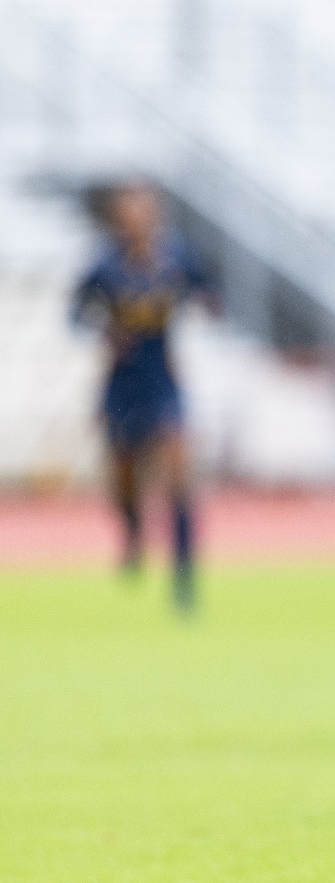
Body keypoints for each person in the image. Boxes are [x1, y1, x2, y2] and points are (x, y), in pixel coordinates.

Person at [71, 179, 212, 614]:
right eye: (129, 211)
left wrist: (206, 303)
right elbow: (75, 315)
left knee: (179, 468)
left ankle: (185, 576)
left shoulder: (175, 259)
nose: (138, 218)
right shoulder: (104, 267)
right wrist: (105, 331)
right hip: (121, 383)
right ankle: (133, 531)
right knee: (125, 478)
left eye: (144, 210)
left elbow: (206, 290)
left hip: (163, 382)